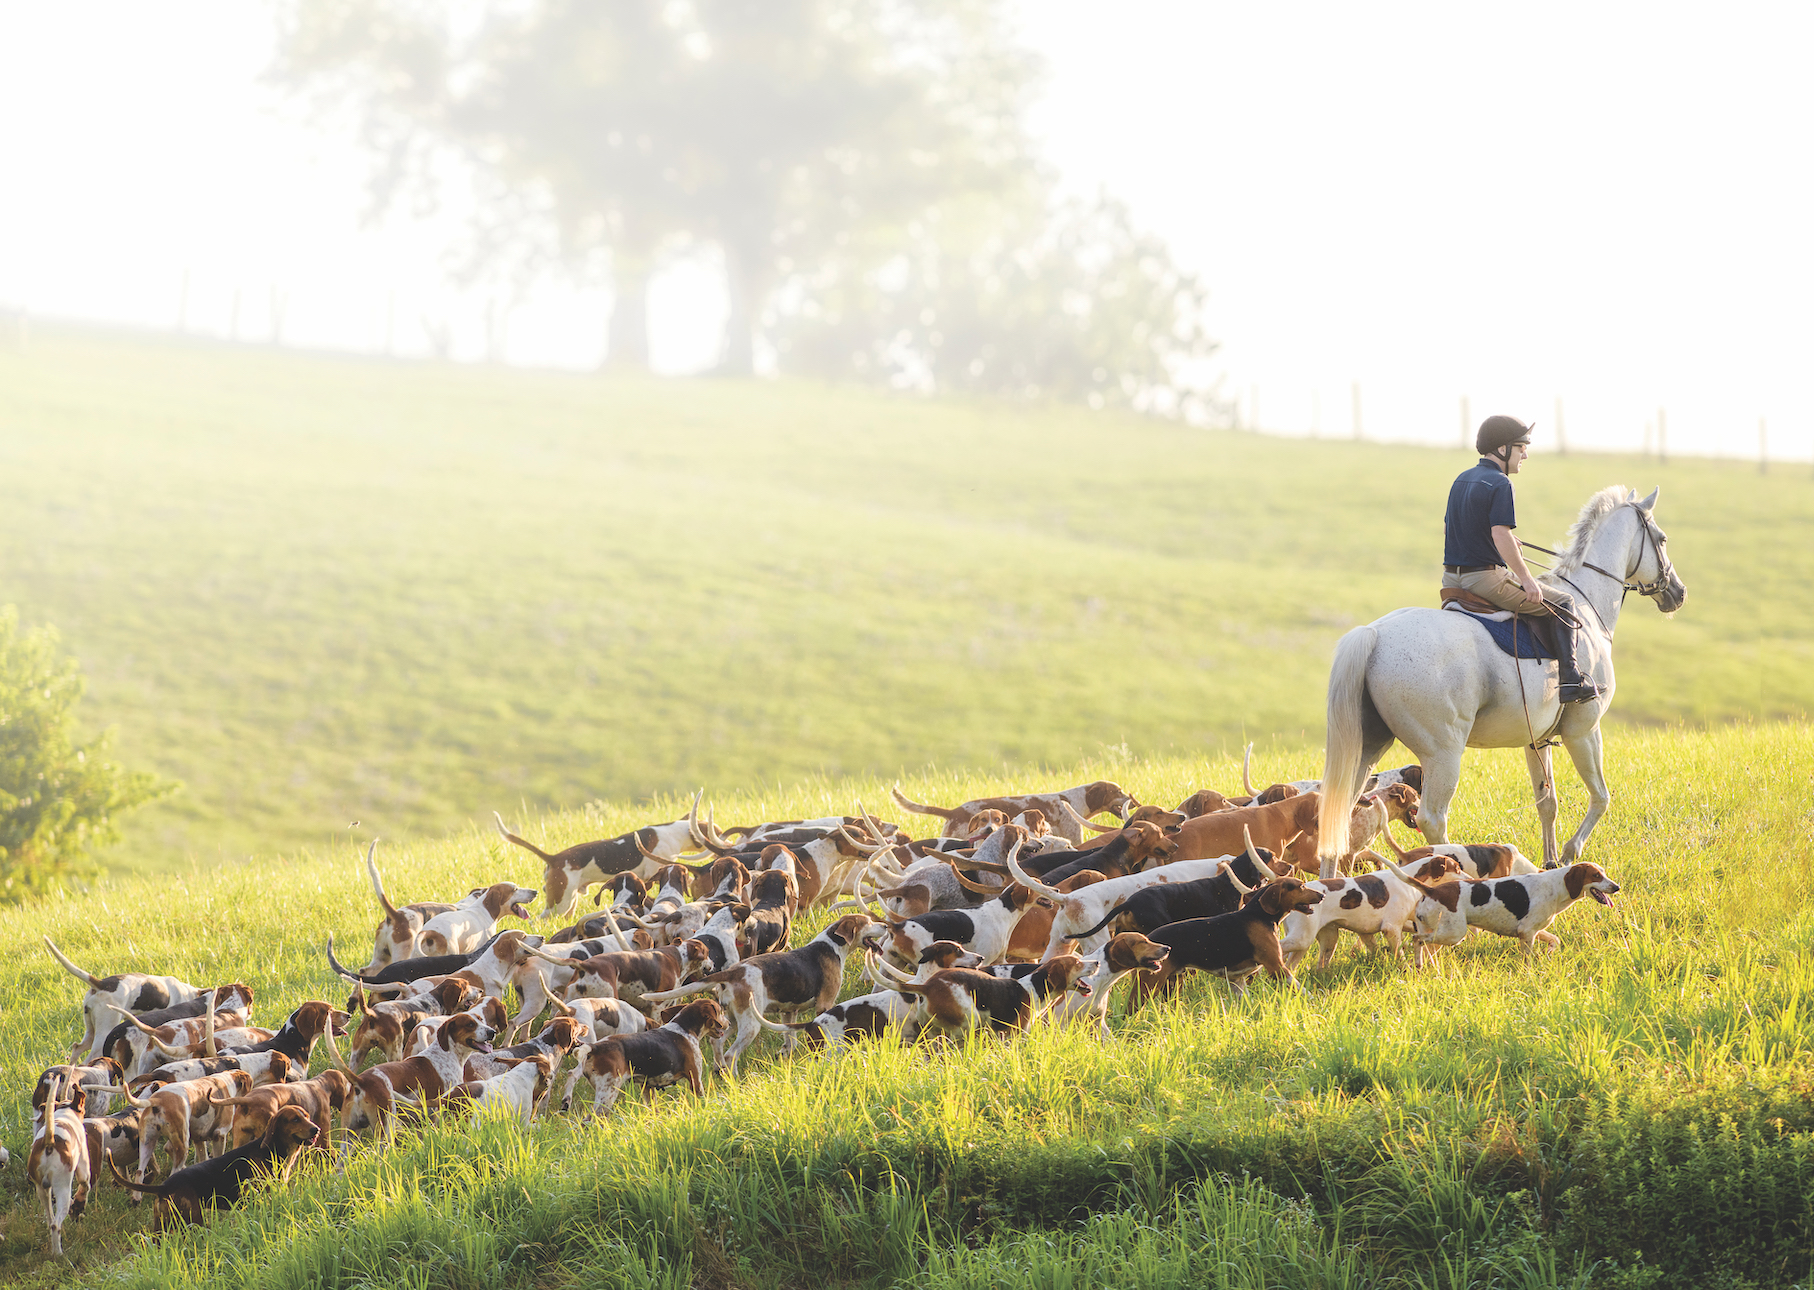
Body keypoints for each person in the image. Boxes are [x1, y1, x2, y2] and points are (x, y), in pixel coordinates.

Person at [1442, 416, 1602, 704]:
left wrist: (1487, 541)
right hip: (1485, 580)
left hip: (1451, 580)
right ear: (1502, 449)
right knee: (1564, 604)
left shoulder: (1461, 478)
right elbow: (1500, 533)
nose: (1525, 454)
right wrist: (1527, 580)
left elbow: (1452, 528)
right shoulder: (1500, 483)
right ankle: (1570, 681)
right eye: (1520, 447)